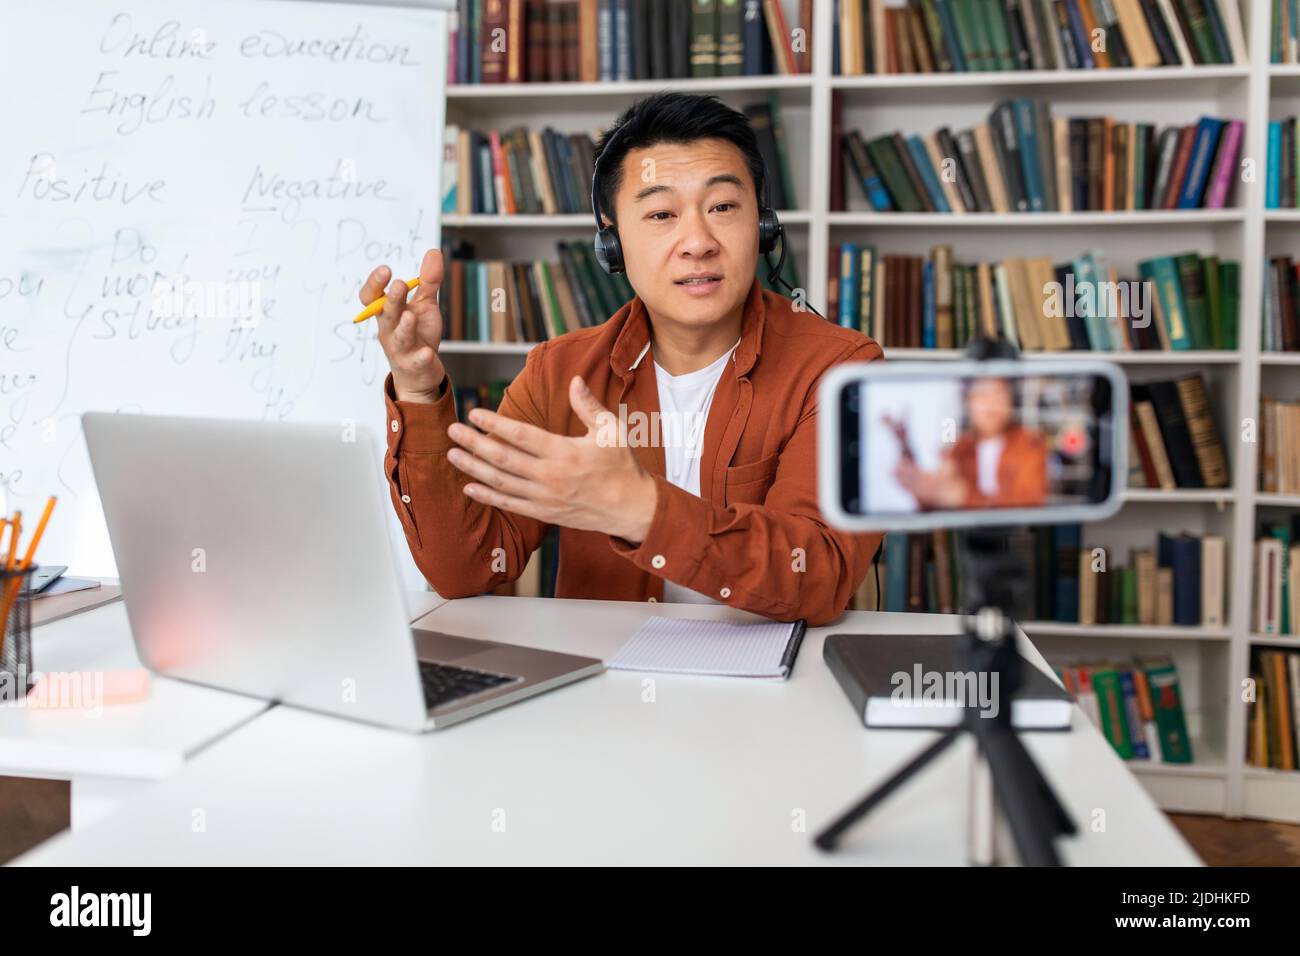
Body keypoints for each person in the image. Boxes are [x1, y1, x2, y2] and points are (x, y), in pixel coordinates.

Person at [363, 92, 882, 625]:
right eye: (661, 213)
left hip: (775, 690)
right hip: (605, 691)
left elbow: (818, 573)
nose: (697, 242)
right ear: (611, 242)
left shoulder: (838, 372)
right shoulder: (558, 374)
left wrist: (643, 510)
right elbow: (465, 570)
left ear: (764, 224)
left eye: (723, 207)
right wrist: (418, 388)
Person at [892, 377, 1048, 510]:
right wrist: (903, 443)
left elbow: (1026, 504)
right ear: (969, 402)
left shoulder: (1029, 444)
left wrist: (964, 497)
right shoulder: (960, 448)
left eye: (998, 393)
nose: (990, 403)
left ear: (1010, 400)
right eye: (982, 394)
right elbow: (930, 496)